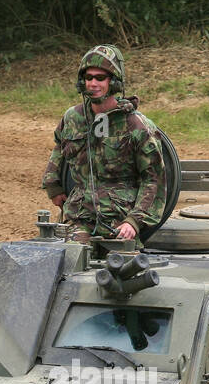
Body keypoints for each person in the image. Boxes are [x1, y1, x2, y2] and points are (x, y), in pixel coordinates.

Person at [41, 45, 166, 244]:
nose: (93, 83)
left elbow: (153, 180)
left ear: (114, 82)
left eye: (100, 78)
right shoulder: (73, 118)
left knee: (120, 266)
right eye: (88, 78)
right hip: (80, 216)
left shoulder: (136, 126)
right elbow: (59, 148)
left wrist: (133, 222)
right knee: (70, 259)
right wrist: (53, 185)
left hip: (120, 219)